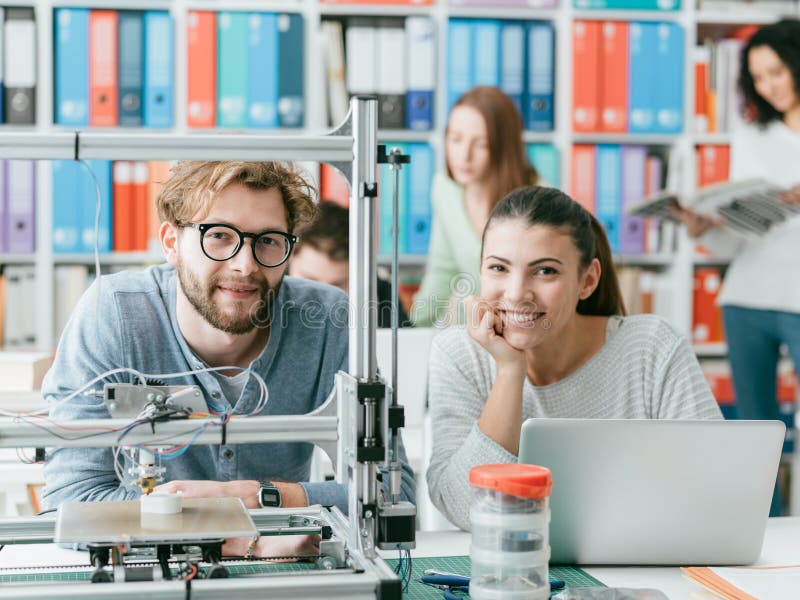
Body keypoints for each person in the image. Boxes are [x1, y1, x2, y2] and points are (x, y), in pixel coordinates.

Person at [42, 161, 415, 556]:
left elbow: (394, 496)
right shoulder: (113, 314)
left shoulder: (327, 321)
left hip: (282, 575)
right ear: (171, 243)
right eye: (219, 236)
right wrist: (238, 539)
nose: (245, 265)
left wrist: (254, 496)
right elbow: (69, 505)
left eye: (269, 240)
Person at [426, 186, 722, 530]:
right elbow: (466, 509)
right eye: (498, 268)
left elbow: (712, 487)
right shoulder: (458, 354)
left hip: (641, 566)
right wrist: (510, 370)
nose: (517, 292)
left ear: (588, 280)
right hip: (514, 568)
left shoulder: (652, 348)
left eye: (545, 271)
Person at [671, 19, 800, 516]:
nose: (768, 85)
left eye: (776, 71)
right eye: (757, 77)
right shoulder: (753, 134)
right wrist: (707, 228)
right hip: (746, 297)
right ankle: (769, 525)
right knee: (754, 429)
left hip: (796, 298)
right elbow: (738, 235)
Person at [411, 86, 539, 327]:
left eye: (480, 144)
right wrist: (411, 328)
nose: (464, 155)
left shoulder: (538, 199)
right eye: (456, 139)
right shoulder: (445, 188)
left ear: (503, 147)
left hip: (524, 325)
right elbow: (442, 269)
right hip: (472, 328)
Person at [289, 200, 411, 328]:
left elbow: (408, 344)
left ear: (360, 274)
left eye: (337, 285)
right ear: (289, 258)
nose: (321, 300)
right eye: (310, 281)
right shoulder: (271, 290)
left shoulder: (381, 295)